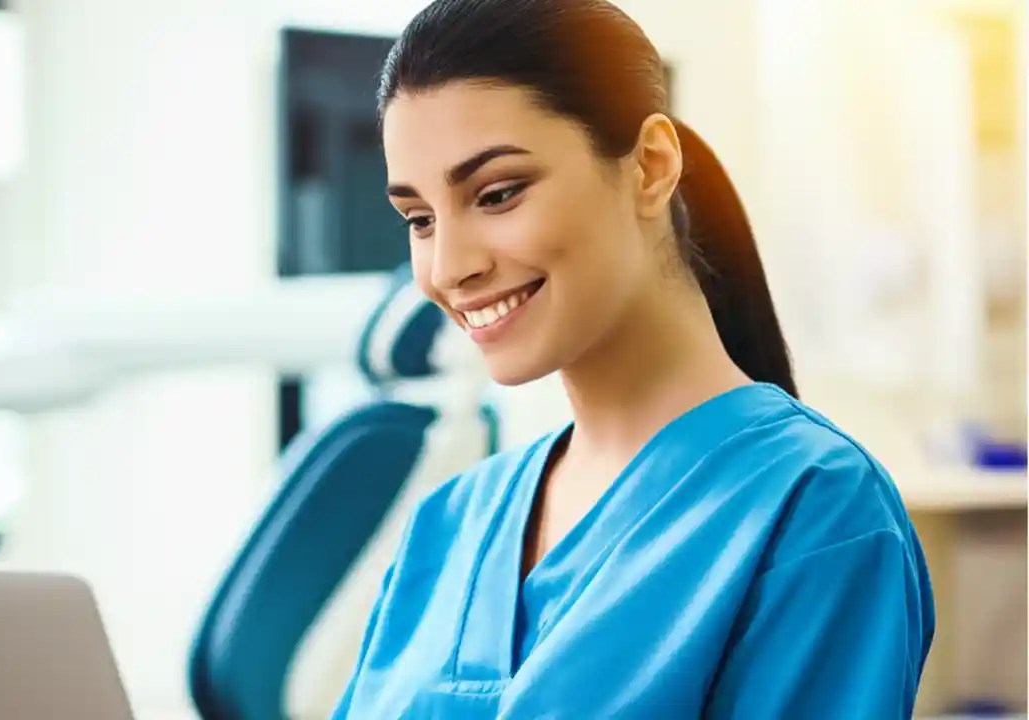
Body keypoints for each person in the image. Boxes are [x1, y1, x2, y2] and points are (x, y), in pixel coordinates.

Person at [332, 1, 935, 718]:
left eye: (497, 194)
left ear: (649, 167)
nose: (448, 267)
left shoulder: (816, 509)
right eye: (420, 219)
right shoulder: (449, 522)